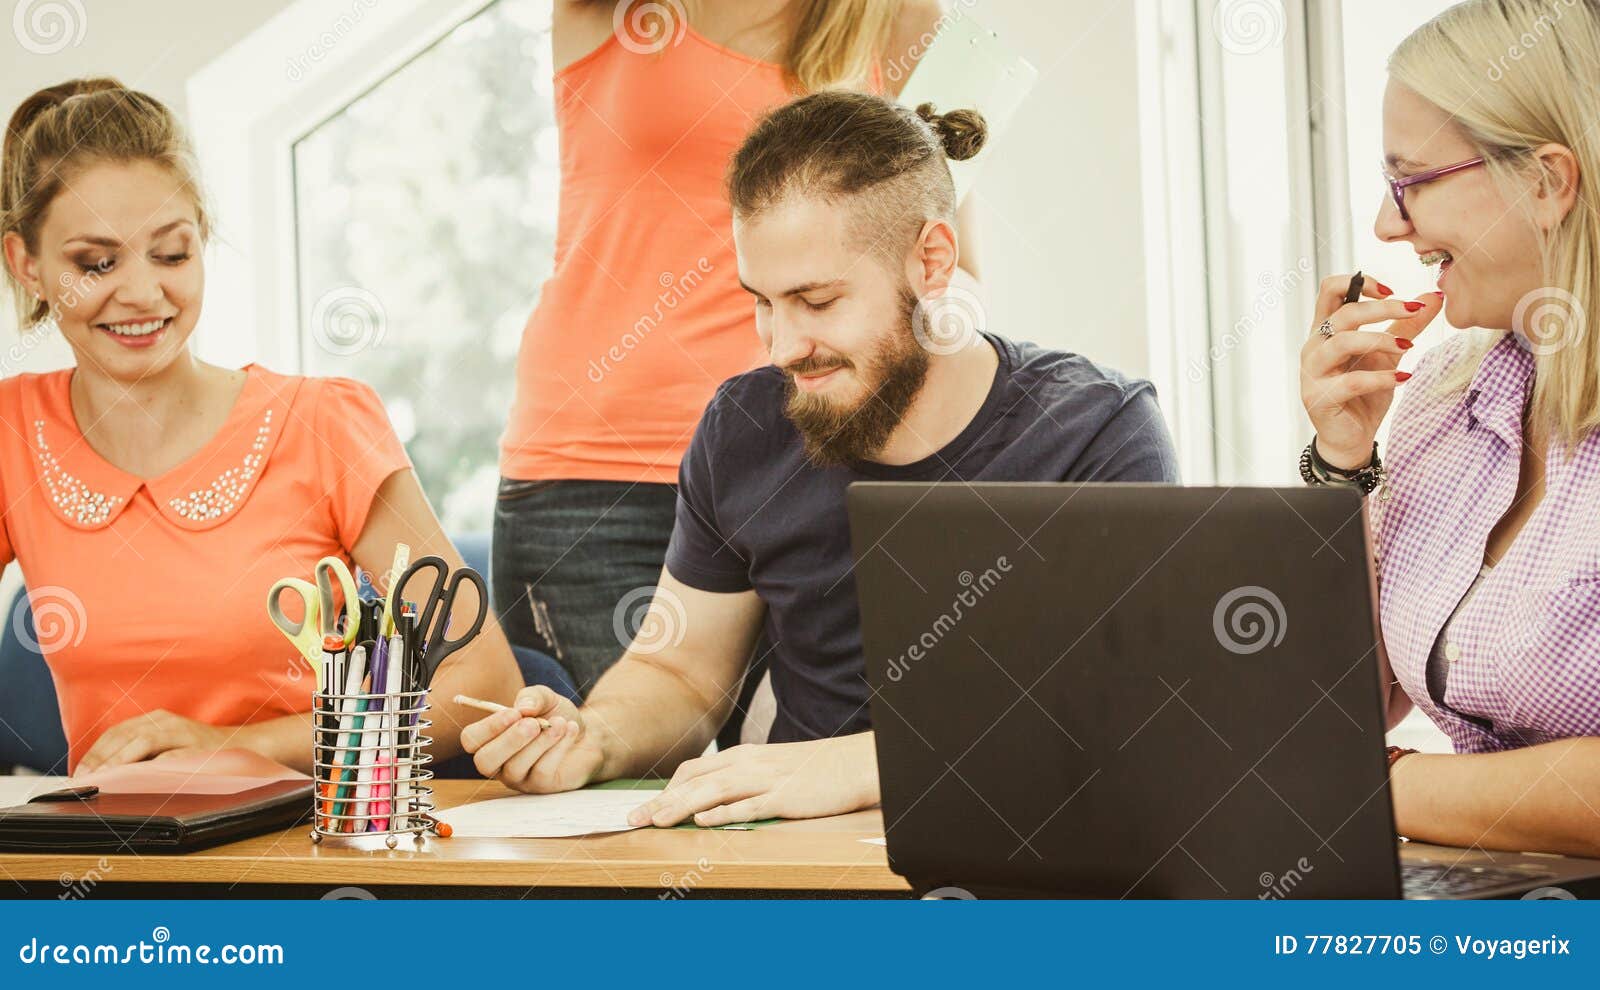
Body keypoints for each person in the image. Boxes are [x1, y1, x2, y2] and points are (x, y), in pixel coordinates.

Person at [462, 91, 1179, 827]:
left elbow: (1125, 716)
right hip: (800, 871)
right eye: (764, 302)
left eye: (817, 300)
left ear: (932, 259)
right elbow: (679, 671)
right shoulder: (743, 427)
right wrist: (594, 736)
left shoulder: (1096, 431)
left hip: (1029, 855)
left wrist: (865, 763)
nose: (780, 347)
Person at [0, 78, 523, 774]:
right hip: (117, 862)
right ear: (26, 265)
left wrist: (234, 748)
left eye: (172, 254)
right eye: (96, 263)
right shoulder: (14, 430)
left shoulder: (322, 423)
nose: (142, 293)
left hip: (307, 852)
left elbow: (484, 687)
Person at [494, 0, 980, 695]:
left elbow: (956, 277)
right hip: (599, 469)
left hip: (808, 462)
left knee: (816, 777)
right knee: (612, 785)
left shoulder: (902, 18)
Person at [1297, 0, 1600, 858]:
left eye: (1412, 181)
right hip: (1483, 890)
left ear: (1547, 182)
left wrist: (1387, 785)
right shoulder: (1445, 393)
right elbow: (1335, 707)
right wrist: (1342, 457)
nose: (1387, 225)